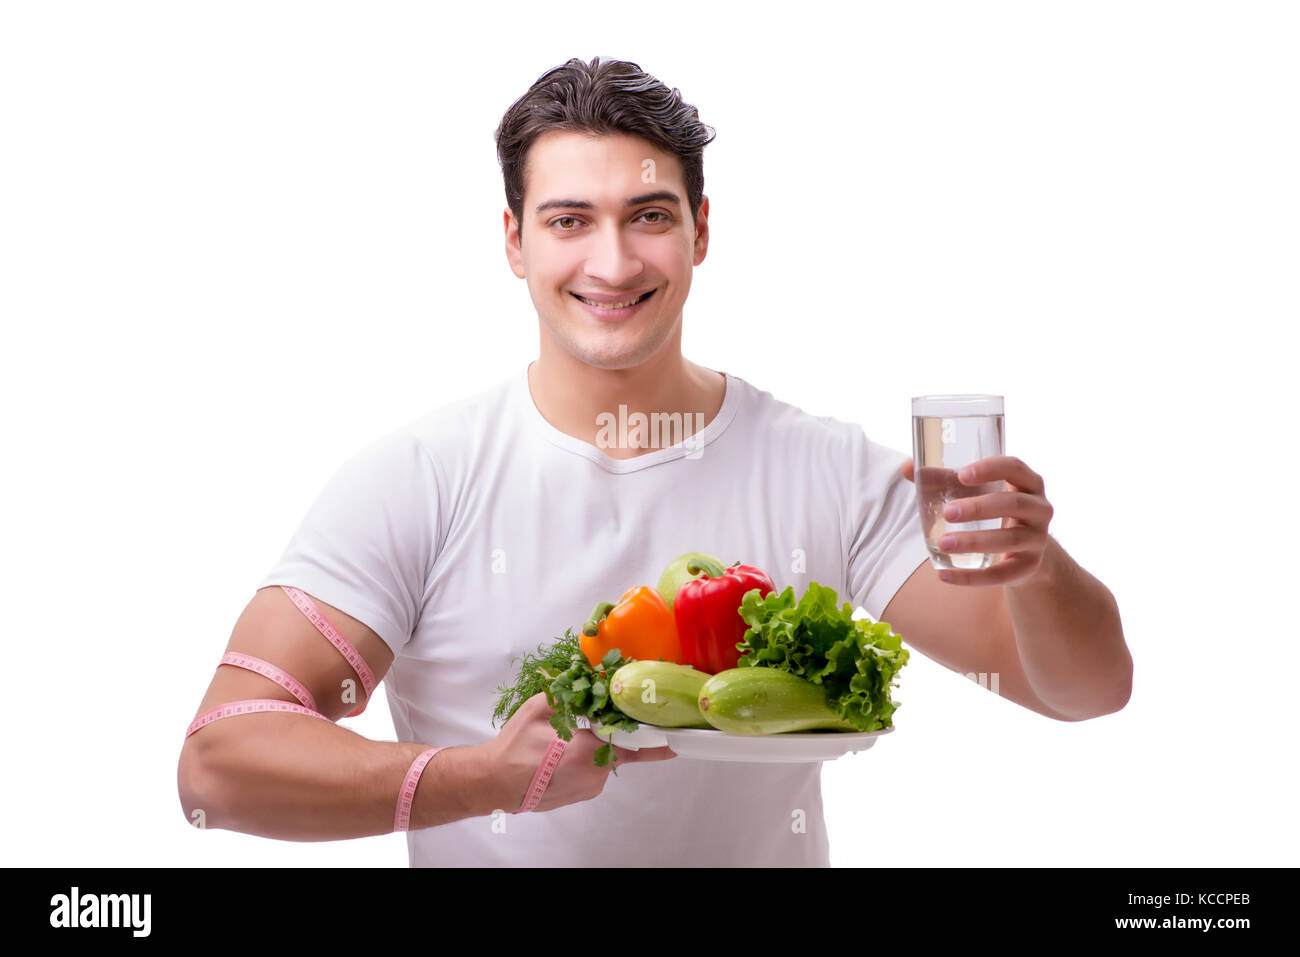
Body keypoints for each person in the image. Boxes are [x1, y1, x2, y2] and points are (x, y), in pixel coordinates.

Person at [176, 56, 1133, 867]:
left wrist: (1036, 569)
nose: (614, 261)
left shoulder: (829, 471)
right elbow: (217, 762)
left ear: (700, 230)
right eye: (568, 220)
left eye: (648, 215)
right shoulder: (422, 478)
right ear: (513, 241)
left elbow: (1083, 691)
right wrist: (476, 777)